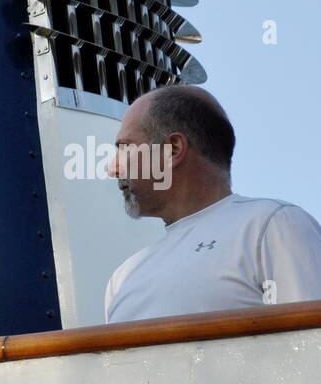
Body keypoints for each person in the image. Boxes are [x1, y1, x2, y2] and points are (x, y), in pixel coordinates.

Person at [105, 86, 321, 323]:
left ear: (173, 149)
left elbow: (311, 345)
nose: (113, 168)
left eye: (126, 148)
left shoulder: (272, 225)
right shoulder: (123, 277)